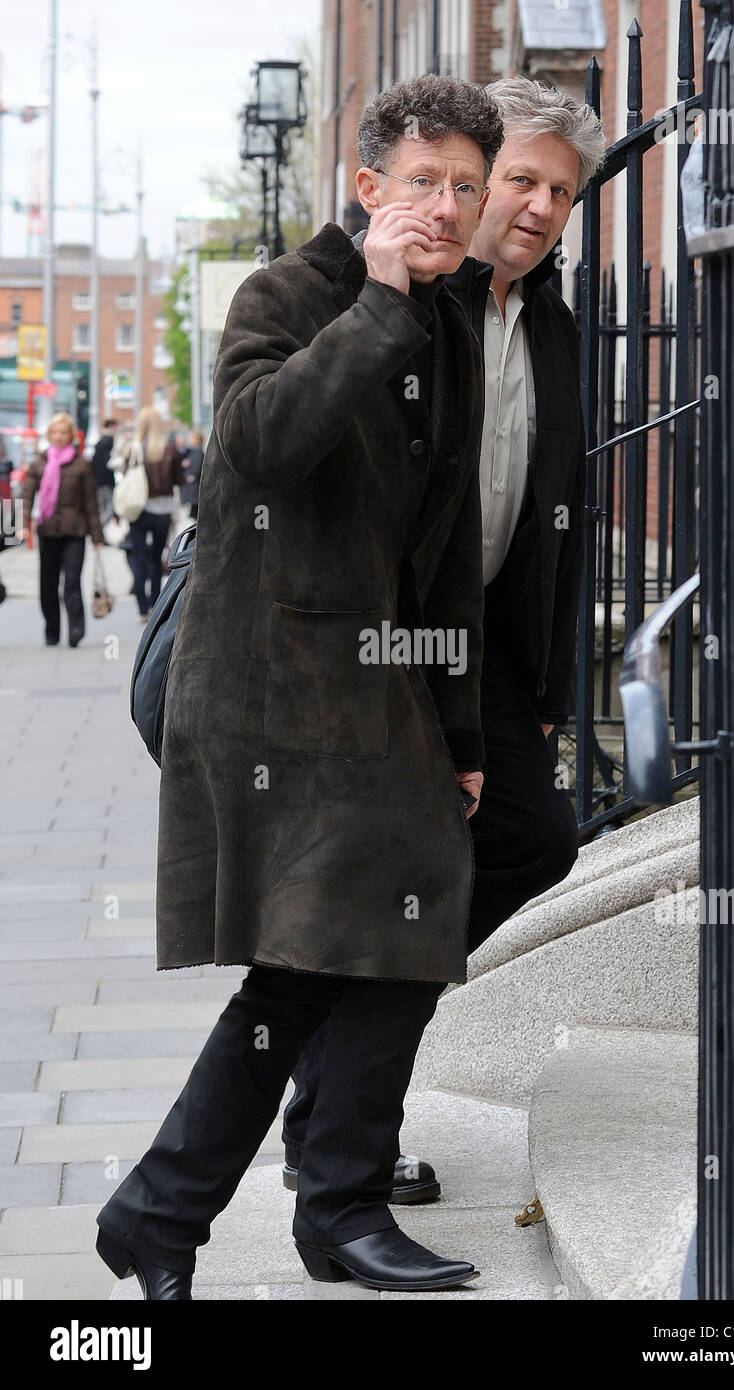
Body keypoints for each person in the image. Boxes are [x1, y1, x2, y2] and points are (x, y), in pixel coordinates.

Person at [94, 73, 504, 1299]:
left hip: (383, 692)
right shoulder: (286, 295)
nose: (446, 207)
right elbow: (263, 444)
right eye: (422, 182)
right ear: (366, 185)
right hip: (272, 693)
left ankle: (210, 1212)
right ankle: (299, 1209)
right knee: (329, 952)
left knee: (376, 944)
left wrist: (461, 727)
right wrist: (376, 303)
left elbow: (444, 558)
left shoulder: (453, 326)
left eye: (465, 189)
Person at [282, 77, 606, 1203]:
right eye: (515, 178)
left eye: (559, 194)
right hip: (382, 641)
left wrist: (550, 677)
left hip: (482, 653)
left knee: (533, 837)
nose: (532, 207)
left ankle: (336, 1048)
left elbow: (560, 511)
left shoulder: (551, 323)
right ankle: (341, 1136)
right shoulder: (418, 293)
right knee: (394, 886)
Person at [18, 411, 104, 646]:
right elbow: (25, 496)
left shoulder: (82, 464)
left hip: (75, 531)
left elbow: (91, 502)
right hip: (47, 531)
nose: (58, 436)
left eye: (63, 432)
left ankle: (76, 628)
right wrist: (21, 525)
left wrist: (98, 536)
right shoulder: (39, 464)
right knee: (47, 584)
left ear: (71, 436)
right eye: (54, 432)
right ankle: (52, 629)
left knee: (72, 583)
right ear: (49, 435)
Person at [124, 407, 184, 623]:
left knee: (138, 557)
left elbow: (124, 478)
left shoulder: (134, 449)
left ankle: (142, 607)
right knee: (157, 557)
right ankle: (155, 604)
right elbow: (179, 480)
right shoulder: (169, 448)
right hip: (163, 510)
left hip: (138, 509)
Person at [90, 418, 119, 532]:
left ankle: (100, 533)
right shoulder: (108, 442)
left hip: (99, 480)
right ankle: (98, 530)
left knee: (102, 508)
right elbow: (107, 464)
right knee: (109, 508)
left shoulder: (100, 441)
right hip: (105, 481)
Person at [179, 429, 204, 520]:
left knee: (194, 510)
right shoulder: (193, 451)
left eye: (191, 438)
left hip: (194, 484)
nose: (189, 440)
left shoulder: (198, 452)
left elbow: (197, 466)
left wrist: (193, 476)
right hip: (192, 485)